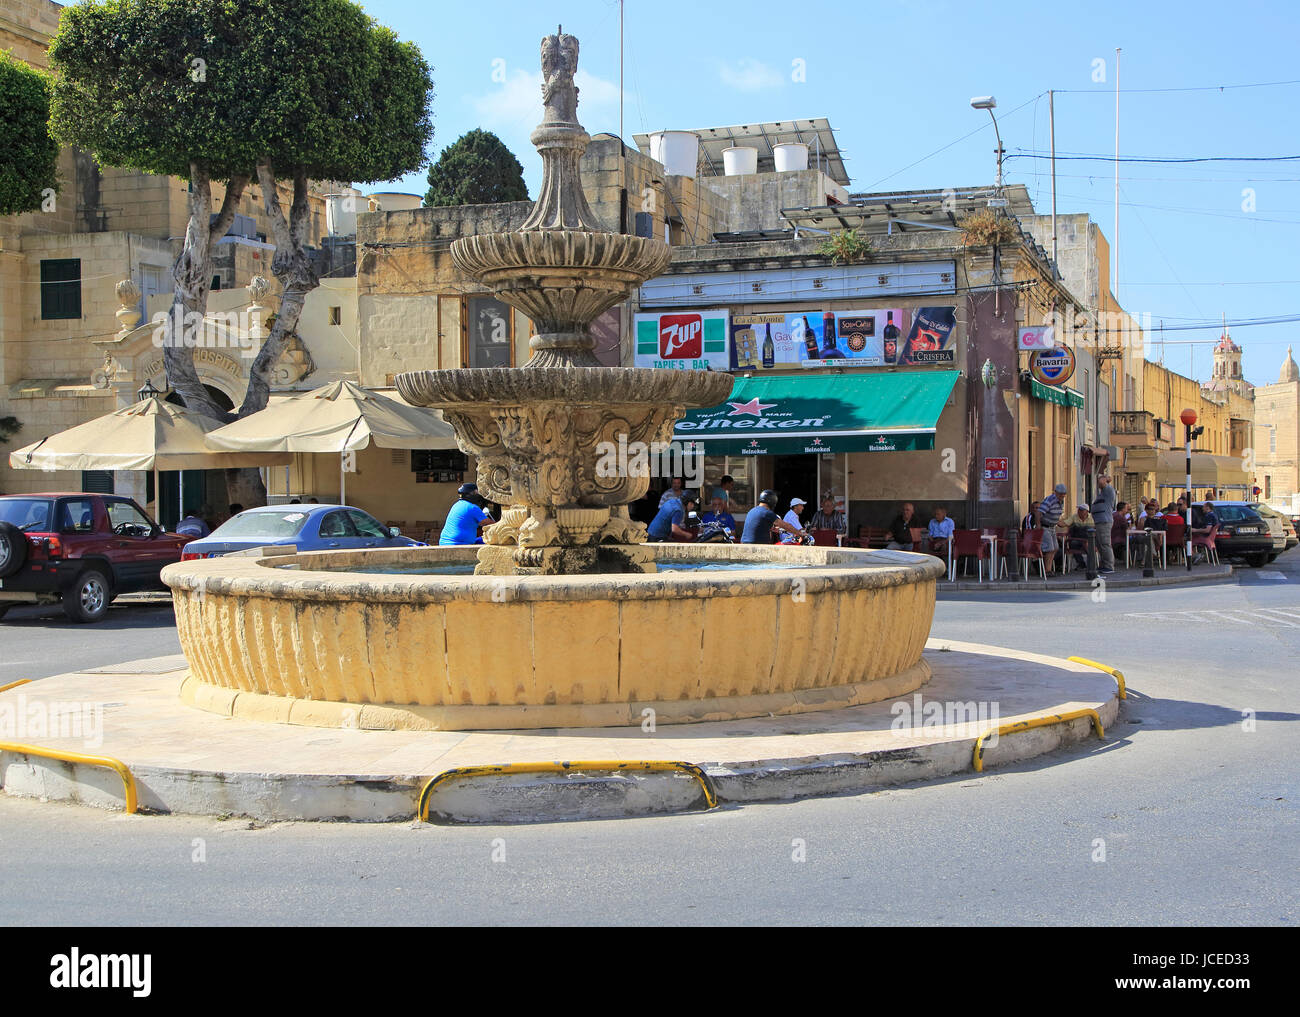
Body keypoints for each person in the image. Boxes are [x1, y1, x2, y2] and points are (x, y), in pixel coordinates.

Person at [1089, 473, 1116, 575]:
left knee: (1105, 543)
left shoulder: (1109, 491)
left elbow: (1102, 481)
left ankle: (1109, 566)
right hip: (1099, 522)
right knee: (1100, 544)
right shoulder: (1102, 493)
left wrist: (1106, 478)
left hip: (1104, 521)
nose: (1099, 483)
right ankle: (1104, 564)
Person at [1038, 483, 1067, 572]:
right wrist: (1038, 526)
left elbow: (1054, 514)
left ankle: (1049, 569)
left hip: (1052, 527)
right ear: (1055, 493)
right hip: (1045, 527)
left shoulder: (1061, 501)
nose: (1062, 495)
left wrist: (1058, 522)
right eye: (1060, 494)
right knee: (1050, 548)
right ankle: (1047, 570)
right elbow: (1039, 513)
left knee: (1055, 548)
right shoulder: (1050, 500)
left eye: (1064, 494)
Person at [1066, 504, 1095, 570]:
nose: (1079, 511)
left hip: (1089, 539)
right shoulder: (1074, 517)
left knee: (1088, 533)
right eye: (1079, 509)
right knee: (1073, 544)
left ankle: (1092, 564)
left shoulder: (1093, 518)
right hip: (1078, 539)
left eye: (1081, 510)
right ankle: (1081, 564)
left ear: (1087, 511)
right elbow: (1066, 523)